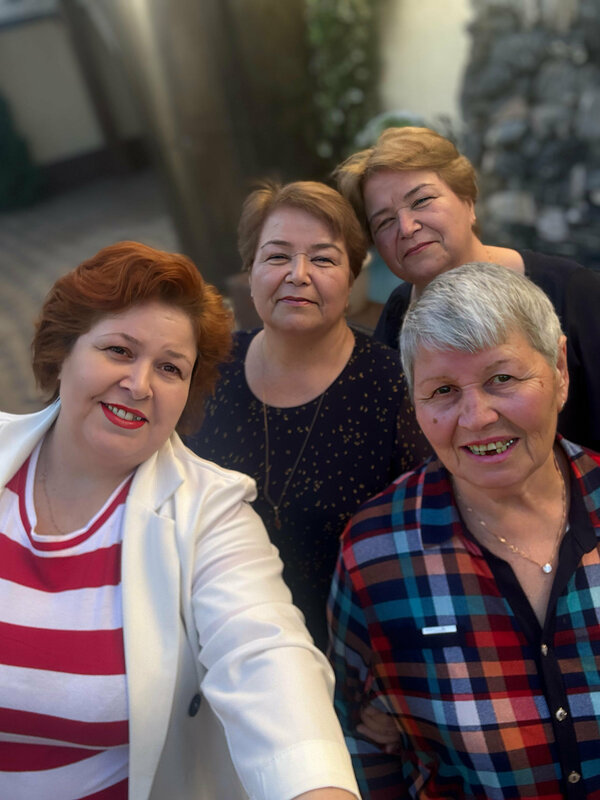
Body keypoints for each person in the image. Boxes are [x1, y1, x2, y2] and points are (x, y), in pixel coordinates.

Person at [0, 241, 361, 800]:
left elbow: (264, 653)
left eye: (170, 368)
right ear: (62, 350)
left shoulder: (211, 513)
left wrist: (317, 787)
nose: (139, 384)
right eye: (119, 350)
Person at [329, 262, 600, 799]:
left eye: (503, 379)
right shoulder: (376, 554)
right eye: (444, 390)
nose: (476, 417)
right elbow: (360, 740)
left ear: (559, 369)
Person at [186, 181, 428, 651]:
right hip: (222, 645)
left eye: (323, 259)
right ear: (250, 271)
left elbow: (424, 544)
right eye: (277, 256)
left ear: (352, 277)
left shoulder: (395, 387)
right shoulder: (206, 371)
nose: (298, 275)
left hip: (359, 653)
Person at [334, 125, 600, 451]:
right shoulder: (397, 315)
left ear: (468, 201)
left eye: (422, 200)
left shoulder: (574, 294)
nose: (406, 227)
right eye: (385, 221)